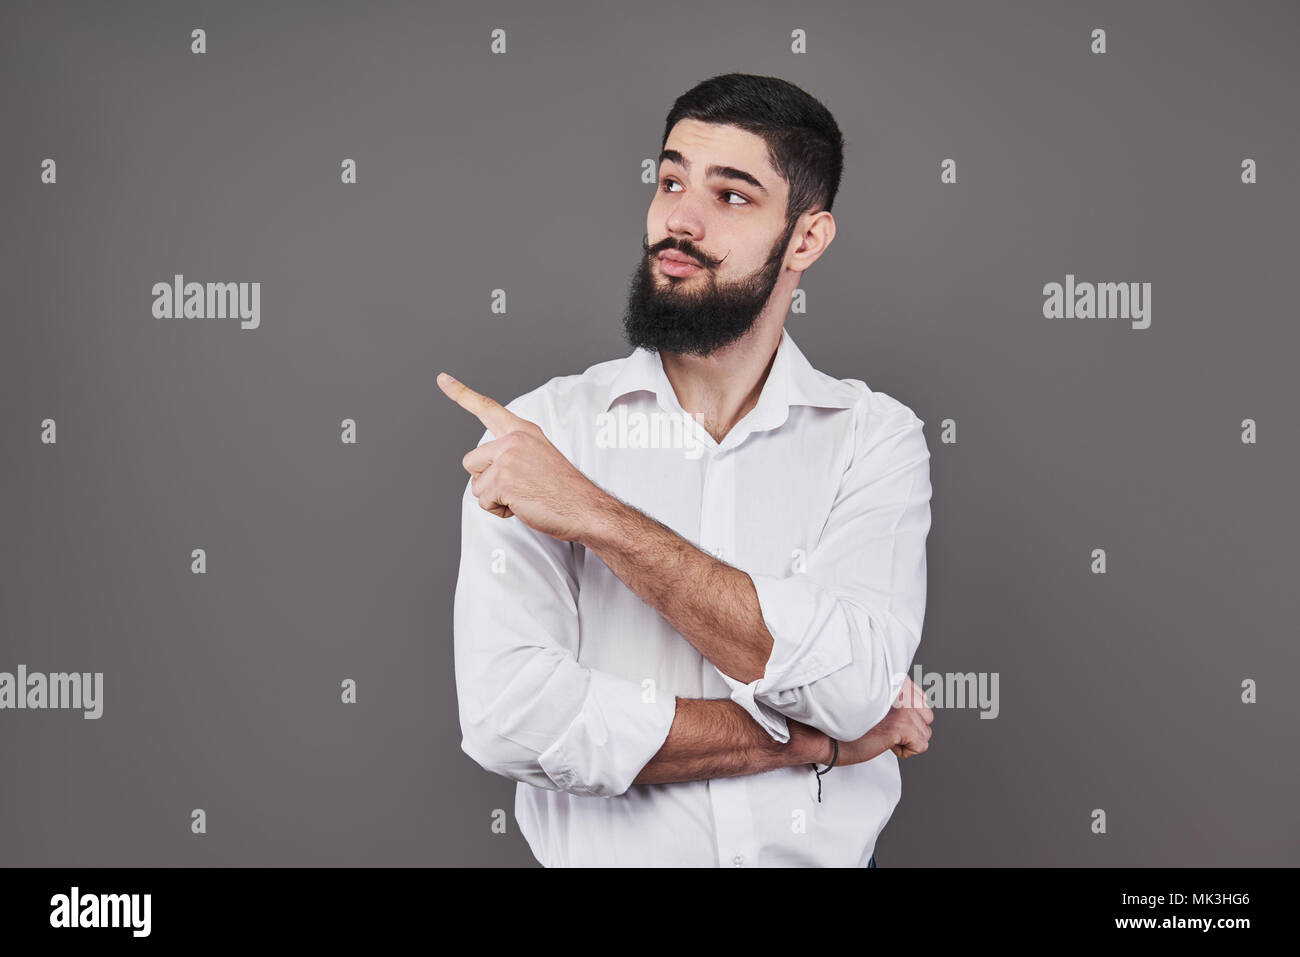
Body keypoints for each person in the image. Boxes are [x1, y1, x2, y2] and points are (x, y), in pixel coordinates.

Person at [441, 73, 934, 867]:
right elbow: (510, 718)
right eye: (670, 181)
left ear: (806, 239)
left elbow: (853, 686)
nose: (679, 217)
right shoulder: (543, 433)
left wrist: (594, 514)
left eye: (731, 195)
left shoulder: (875, 438)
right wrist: (806, 741)